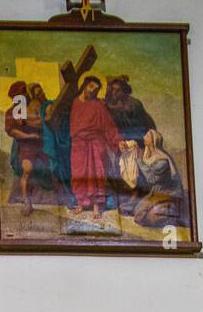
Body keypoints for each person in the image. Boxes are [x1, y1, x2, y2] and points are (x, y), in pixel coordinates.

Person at [69, 75, 122, 218]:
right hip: (79, 144)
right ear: (85, 85)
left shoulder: (98, 105)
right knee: (79, 173)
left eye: (96, 89)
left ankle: (96, 207)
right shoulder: (75, 103)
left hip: (95, 143)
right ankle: (81, 203)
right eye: (91, 86)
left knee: (96, 174)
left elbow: (109, 126)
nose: (93, 90)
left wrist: (118, 141)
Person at [4, 80, 49, 216]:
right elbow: (12, 131)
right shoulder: (12, 112)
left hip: (41, 142)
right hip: (26, 145)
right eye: (18, 96)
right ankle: (26, 201)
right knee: (27, 169)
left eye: (23, 93)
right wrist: (29, 136)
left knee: (51, 165)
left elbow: (43, 119)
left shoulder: (34, 104)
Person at [133, 130, 184, 227]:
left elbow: (151, 179)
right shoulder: (149, 157)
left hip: (168, 194)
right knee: (138, 212)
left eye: (147, 136)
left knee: (151, 216)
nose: (144, 137)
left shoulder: (162, 159)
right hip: (155, 193)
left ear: (153, 140)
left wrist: (139, 160)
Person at [105, 75, 157, 146]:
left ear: (124, 91)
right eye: (113, 89)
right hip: (125, 139)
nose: (114, 93)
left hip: (139, 137)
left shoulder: (134, 104)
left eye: (118, 90)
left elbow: (140, 126)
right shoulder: (114, 103)